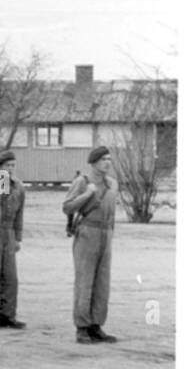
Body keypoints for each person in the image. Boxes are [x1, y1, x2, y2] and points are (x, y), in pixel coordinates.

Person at [63, 147, 119, 345]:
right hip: (88, 232)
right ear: (93, 162)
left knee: (102, 282)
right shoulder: (83, 182)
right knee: (85, 281)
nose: (107, 162)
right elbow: (67, 206)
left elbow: (112, 213)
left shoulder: (112, 184)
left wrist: (111, 233)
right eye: (103, 159)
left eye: (109, 159)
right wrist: (87, 194)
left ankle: (96, 324)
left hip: (106, 233)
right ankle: (82, 327)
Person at [0, 151, 26, 330]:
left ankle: (8, 315)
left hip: (9, 232)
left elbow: (19, 214)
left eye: (13, 165)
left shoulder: (19, 186)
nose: (10, 169)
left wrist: (18, 237)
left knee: (11, 278)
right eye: (6, 166)